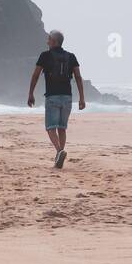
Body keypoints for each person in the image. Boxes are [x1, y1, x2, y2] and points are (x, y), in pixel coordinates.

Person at [26, 30, 85, 169]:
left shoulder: (45, 56)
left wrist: (30, 93)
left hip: (52, 96)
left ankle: (59, 151)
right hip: (68, 97)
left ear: (54, 41)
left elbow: (35, 75)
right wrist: (82, 98)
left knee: (50, 128)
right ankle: (59, 155)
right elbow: (78, 77)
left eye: (49, 39)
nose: (47, 41)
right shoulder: (71, 56)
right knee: (62, 128)